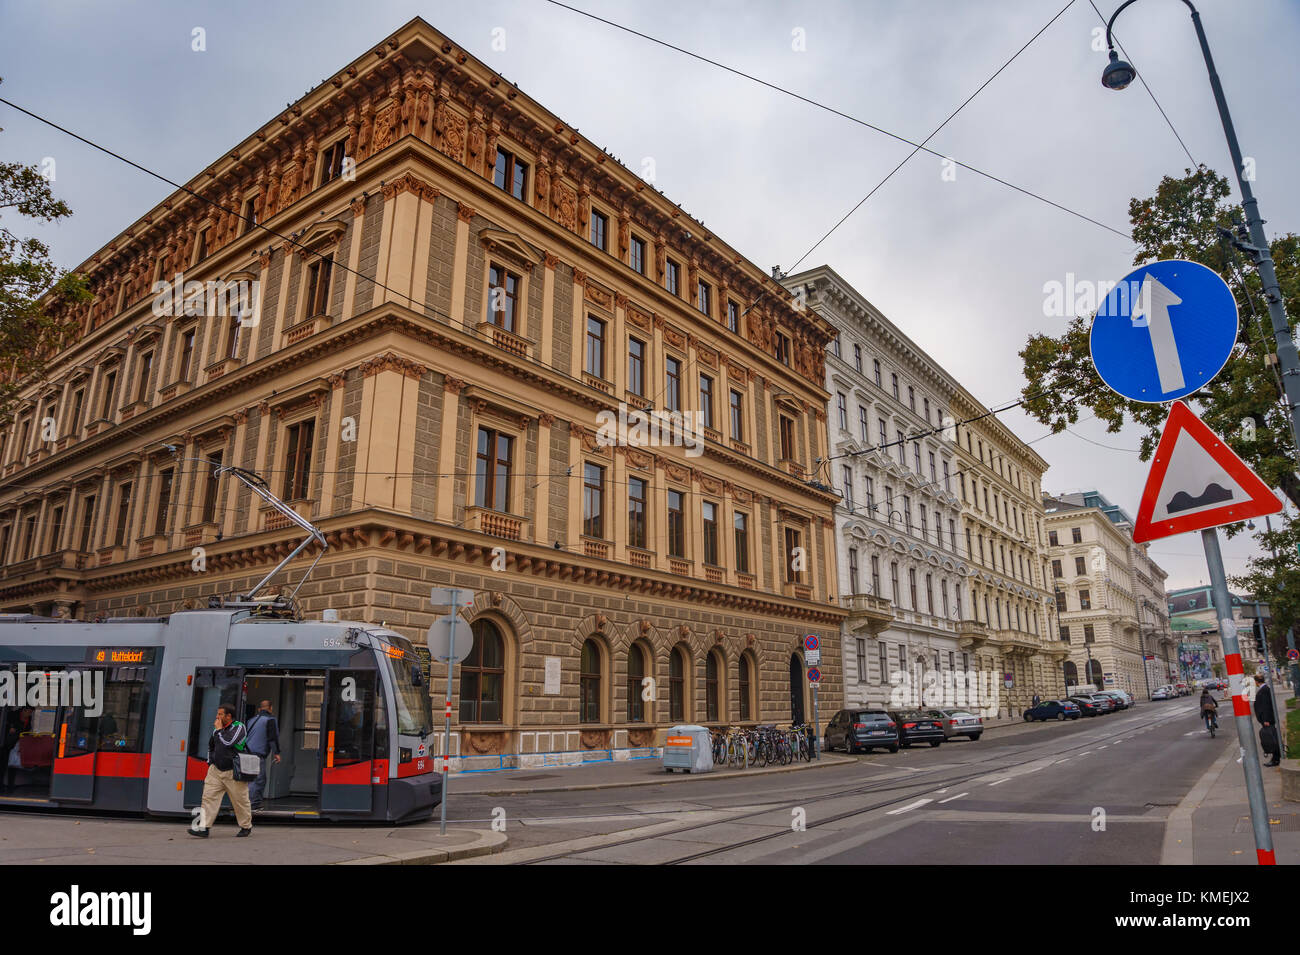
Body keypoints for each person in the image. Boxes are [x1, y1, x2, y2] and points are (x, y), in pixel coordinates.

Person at [190, 704, 252, 837]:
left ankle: (246, 826)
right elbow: (211, 747)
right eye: (217, 714)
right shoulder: (217, 730)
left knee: (240, 800)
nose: (217, 717)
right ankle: (203, 827)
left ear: (228, 716)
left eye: (220, 714)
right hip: (215, 770)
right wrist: (210, 762)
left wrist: (218, 731)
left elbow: (228, 742)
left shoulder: (239, 727)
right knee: (208, 798)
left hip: (233, 771)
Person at [244, 699, 281, 810]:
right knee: (259, 780)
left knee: (249, 780)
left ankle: (247, 804)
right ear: (270, 708)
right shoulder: (270, 720)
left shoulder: (251, 720)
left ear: (260, 709)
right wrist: (277, 753)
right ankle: (253, 805)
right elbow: (272, 738)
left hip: (246, 753)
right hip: (257, 755)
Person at [1, 707, 33, 793]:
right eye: (29, 712)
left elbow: (27, 729)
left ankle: (10, 786)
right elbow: (5, 725)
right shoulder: (12, 716)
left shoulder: (28, 719)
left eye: (31, 713)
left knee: (13, 765)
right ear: (23, 710)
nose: (29, 714)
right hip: (5, 744)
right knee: (2, 766)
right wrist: (10, 729)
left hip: (16, 745)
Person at [1253, 675, 1280, 767]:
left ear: (1257, 681)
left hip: (1267, 719)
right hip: (1267, 718)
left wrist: (1266, 720)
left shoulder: (1264, 691)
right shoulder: (1265, 689)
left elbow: (1265, 707)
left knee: (1271, 739)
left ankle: (1276, 759)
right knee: (1272, 737)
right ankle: (1276, 757)